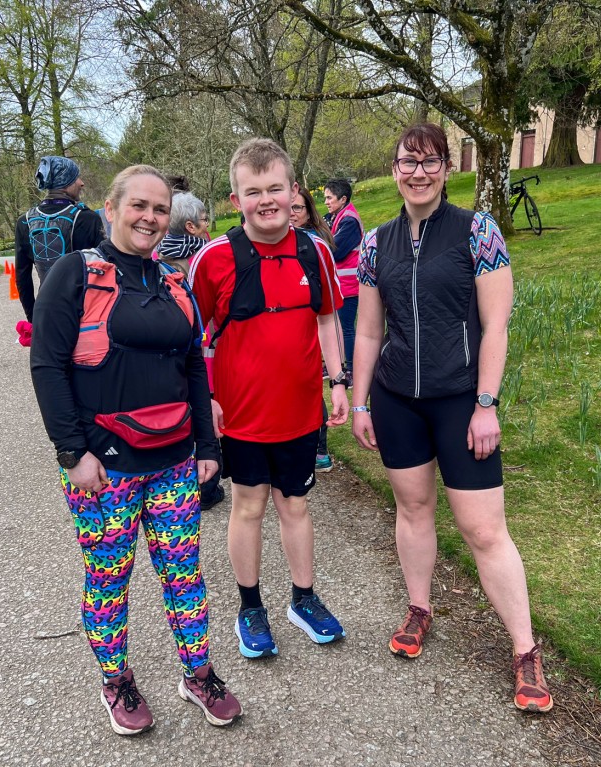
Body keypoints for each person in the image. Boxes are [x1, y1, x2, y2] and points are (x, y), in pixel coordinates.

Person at [30, 165, 242, 736]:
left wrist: (206, 443)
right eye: (139, 206)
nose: (150, 217)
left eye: (159, 208)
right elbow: (47, 366)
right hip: (105, 469)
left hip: (173, 463)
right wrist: (74, 453)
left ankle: (198, 675)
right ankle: (116, 681)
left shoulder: (173, 281)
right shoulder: (74, 275)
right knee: (108, 577)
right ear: (111, 207)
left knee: (184, 575)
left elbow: (195, 364)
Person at [351, 122, 553, 714]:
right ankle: (419, 608)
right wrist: (360, 400)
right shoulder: (375, 242)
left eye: (430, 161)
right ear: (394, 171)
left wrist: (486, 404)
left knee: (484, 530)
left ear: (445, 169)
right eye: (407, 162)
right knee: (413, 509)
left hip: (462, 401)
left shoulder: (477, 230)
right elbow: (367, 329)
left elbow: (496, 326)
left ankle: (524, 650)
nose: (418, 172)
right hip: (396, 400)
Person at [190, 138, 349, 660]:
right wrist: (206, 398)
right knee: (248, 505)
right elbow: (195, 336)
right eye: (252, 191)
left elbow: (327, 318)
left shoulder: (315, 250)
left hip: (300, 411)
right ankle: (250, 606)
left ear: (291, 190)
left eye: (275, 188)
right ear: (235, 200)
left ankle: (303, 599)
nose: (266, 200)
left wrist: (338, 380)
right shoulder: (214, 259)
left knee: (296, 505)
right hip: (241, 415)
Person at [157, 191, 224, 511]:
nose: (207, 223)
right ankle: (208, 486)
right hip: (203, 341)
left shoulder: (157, 256)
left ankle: (187, 483)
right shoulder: (204, 256)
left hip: (171, 343)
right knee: (206, 405)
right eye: (203, 219)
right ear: (190, 226)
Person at [15, 156, 105, 323]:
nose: (81, 183)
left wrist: (33, 319)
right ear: (65, 181)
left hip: (46, 309)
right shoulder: (88, 218)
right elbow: (105, 269)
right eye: (76, 177)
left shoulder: (24, 221)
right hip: (85, 312)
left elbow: (22, 276)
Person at [290, 186, 340, 474]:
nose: (292, 213)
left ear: (309, 212)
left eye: (298, 208)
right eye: (290, 207)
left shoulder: (314, 244)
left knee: (310, 389)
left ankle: (320, 448)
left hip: (314, 327)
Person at [323, 179, 363, 372]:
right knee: (340, 327)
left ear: (343, 199)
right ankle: (343, 366)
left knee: (346, 328)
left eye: (329, 198)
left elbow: (335, 251)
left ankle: (352, 369)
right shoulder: (338, 217)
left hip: (349, 285)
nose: (326, 202)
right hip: (341, 284)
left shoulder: (349, 221)